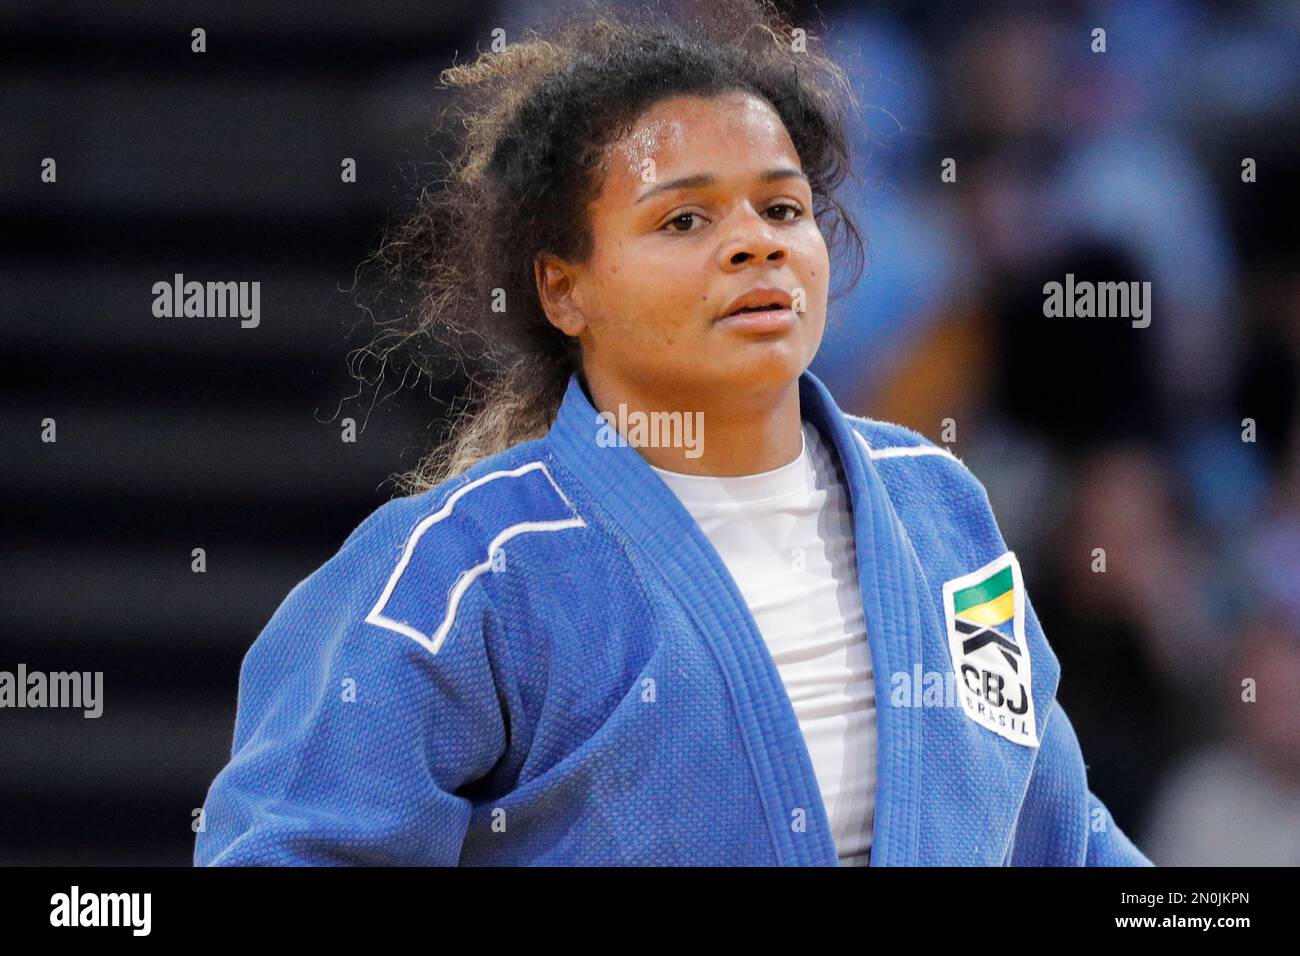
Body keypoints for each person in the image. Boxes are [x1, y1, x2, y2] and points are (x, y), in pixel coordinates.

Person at [194, 0, 1151, 866]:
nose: (757, 242)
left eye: (783, 208)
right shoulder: (464, 572)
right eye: (685, 218)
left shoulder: (942, 513)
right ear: (564, 288)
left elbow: (1058, 840)